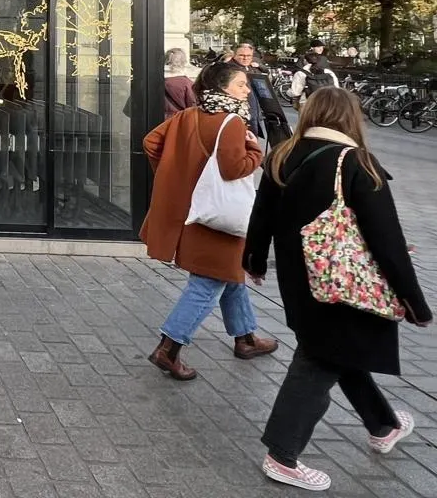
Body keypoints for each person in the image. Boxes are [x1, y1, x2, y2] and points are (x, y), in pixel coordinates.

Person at [243, 88, 431, 491]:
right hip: (344, 281)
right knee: (318, 358)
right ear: (351, 118)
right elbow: (388, 241)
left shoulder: (282, 154)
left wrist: (255, 259)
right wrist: (414, 302)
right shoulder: (356, 162)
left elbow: (263, 214)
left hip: (299, 280)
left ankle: (384, 425)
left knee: (336, 348)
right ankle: (282, 454)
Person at [140, 61, 277, 380]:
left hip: (196, 212)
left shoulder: (189, 114)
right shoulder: (230, 121)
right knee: (208, 283)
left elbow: (150, 143)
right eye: (241, 84)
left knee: (229, 273)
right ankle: (169, 348)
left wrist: (176, 175)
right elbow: (233, 168)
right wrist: (255, 152)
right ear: (223, 87)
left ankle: (245, 337)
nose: (247, 90)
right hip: (219, 218)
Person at [163, 47, 196, 120]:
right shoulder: (186, 83)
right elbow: (193, 105)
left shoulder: (155, 79)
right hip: (179, 120)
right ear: (183, 62)